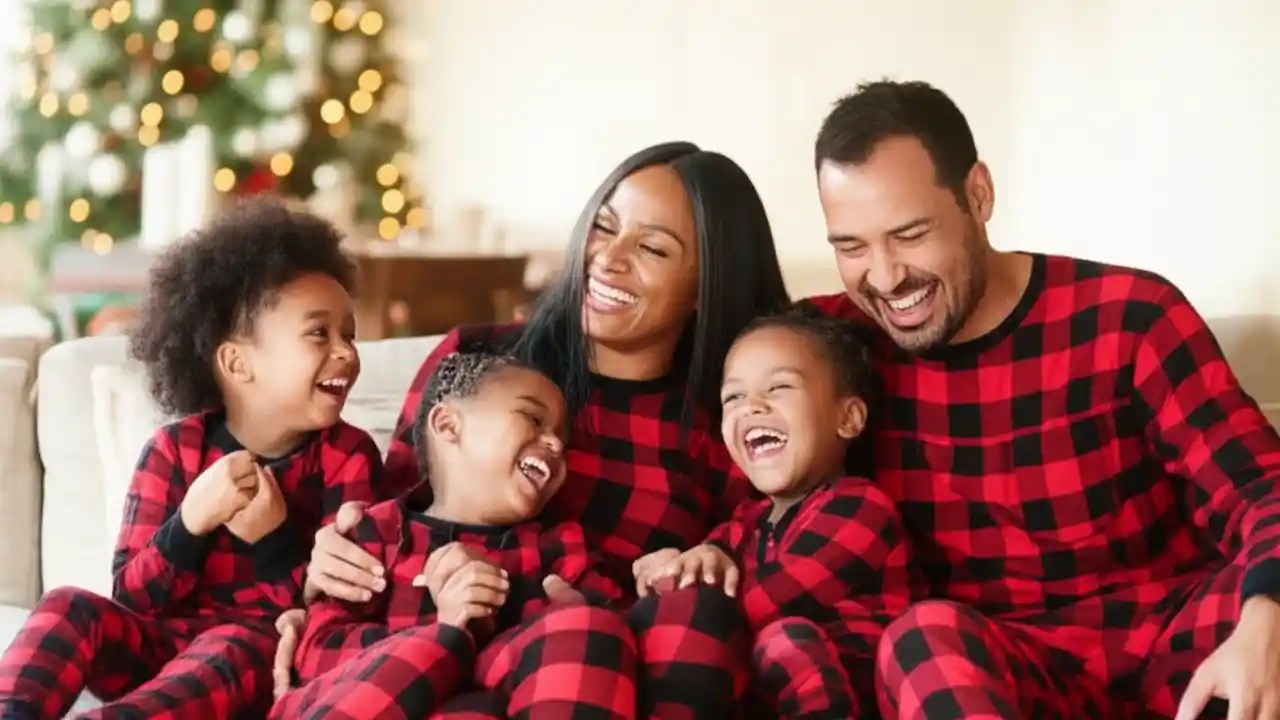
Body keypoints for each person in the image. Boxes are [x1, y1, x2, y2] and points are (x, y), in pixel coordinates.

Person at [803, 79, 1280, 719]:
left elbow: (1260, 488)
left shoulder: (1129, 317)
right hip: (999, 672)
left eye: (911, 234)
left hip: (1176, 648)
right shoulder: (826, 354)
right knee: (920, 637)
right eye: (852, 247)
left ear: (978, 194)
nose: (885, 278)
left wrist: (1266, 617)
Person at [277, 141, 793, 718]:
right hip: (441, 646)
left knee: (692, 614)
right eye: (603, 226)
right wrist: (325, 571)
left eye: (651, 248)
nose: (608, 259)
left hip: (618, 667)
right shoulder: (479, 360)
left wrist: (665, 580)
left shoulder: (723, 421)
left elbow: (752, 552)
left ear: (706, 286)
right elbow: (396, 510)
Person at [0, 199, 392, 719]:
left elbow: (344, 614)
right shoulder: (173, 450)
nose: (346, 352)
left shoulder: (349, 456)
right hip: (157, 648)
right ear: (236, 363)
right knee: (66, 604)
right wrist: (190, 522)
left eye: (350, 334)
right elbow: (133, 599)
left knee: (231, 644)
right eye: (319, 333)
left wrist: (276, 538)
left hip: (258, 656)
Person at [271, 351, 637, 719]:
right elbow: (317, 652)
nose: (556, 444)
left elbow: (617, 628)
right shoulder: (375, 533)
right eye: (533, 418)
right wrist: (443, 632)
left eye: (561, 437)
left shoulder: (557, 550)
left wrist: (576, 611)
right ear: (448, 425)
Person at [635, 308, 920, 718]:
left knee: (785, 638)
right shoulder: (738, 528)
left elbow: (774, 598)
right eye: (733, 396)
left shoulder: (860, 507)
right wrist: (664, 572)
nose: (750, 406)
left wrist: (679, 597)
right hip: (766, 698)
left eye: (779, 386)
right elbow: (689, 587)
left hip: (861, 692)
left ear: (847, 418)